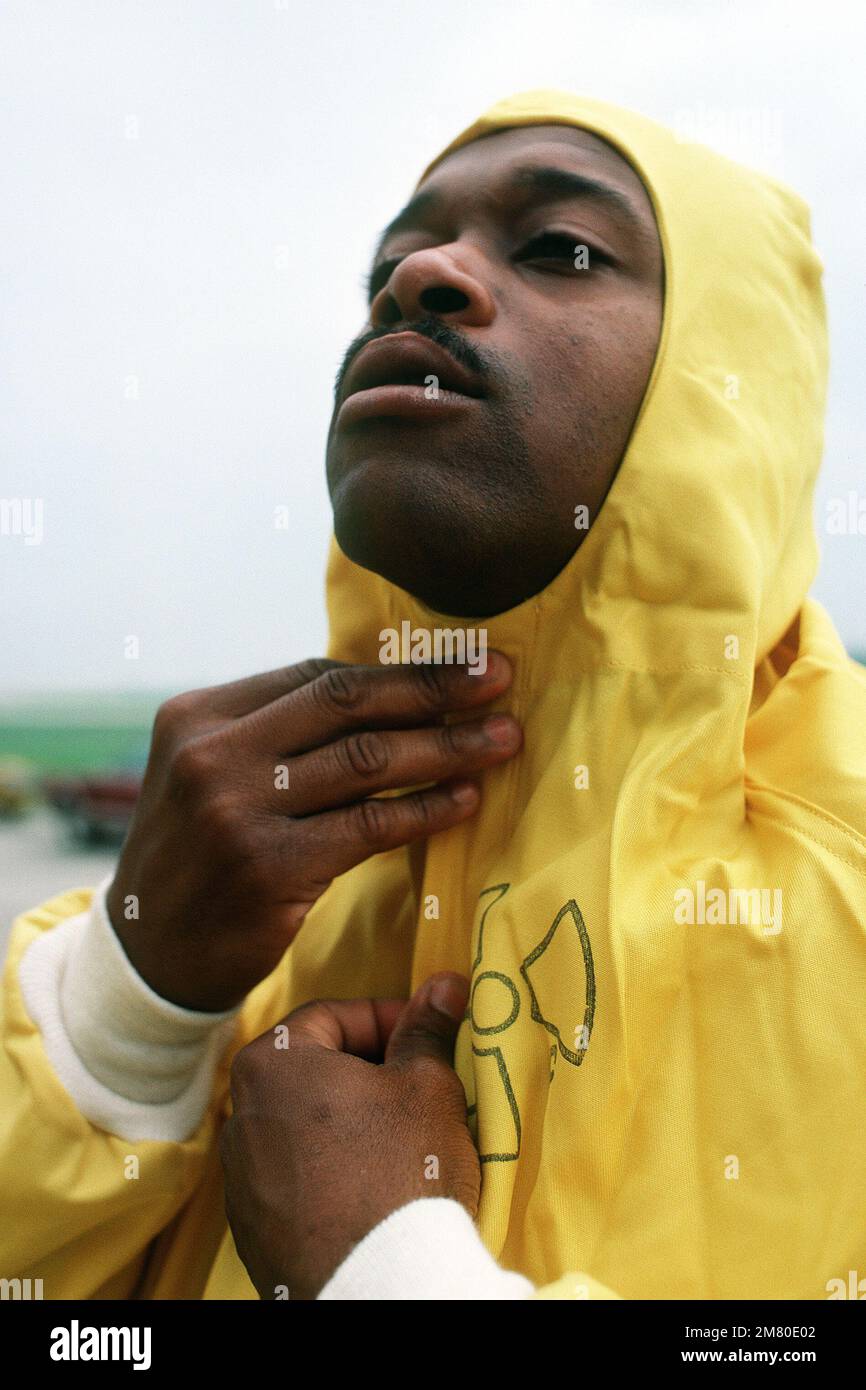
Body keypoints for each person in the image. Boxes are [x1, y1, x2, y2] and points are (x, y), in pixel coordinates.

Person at [3, 88, 865, 1302]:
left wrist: (381, 1272)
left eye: (561, 249)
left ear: (733, 380)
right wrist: (128, 1017)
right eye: (387, 267)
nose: (424, 279)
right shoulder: (216, 895)